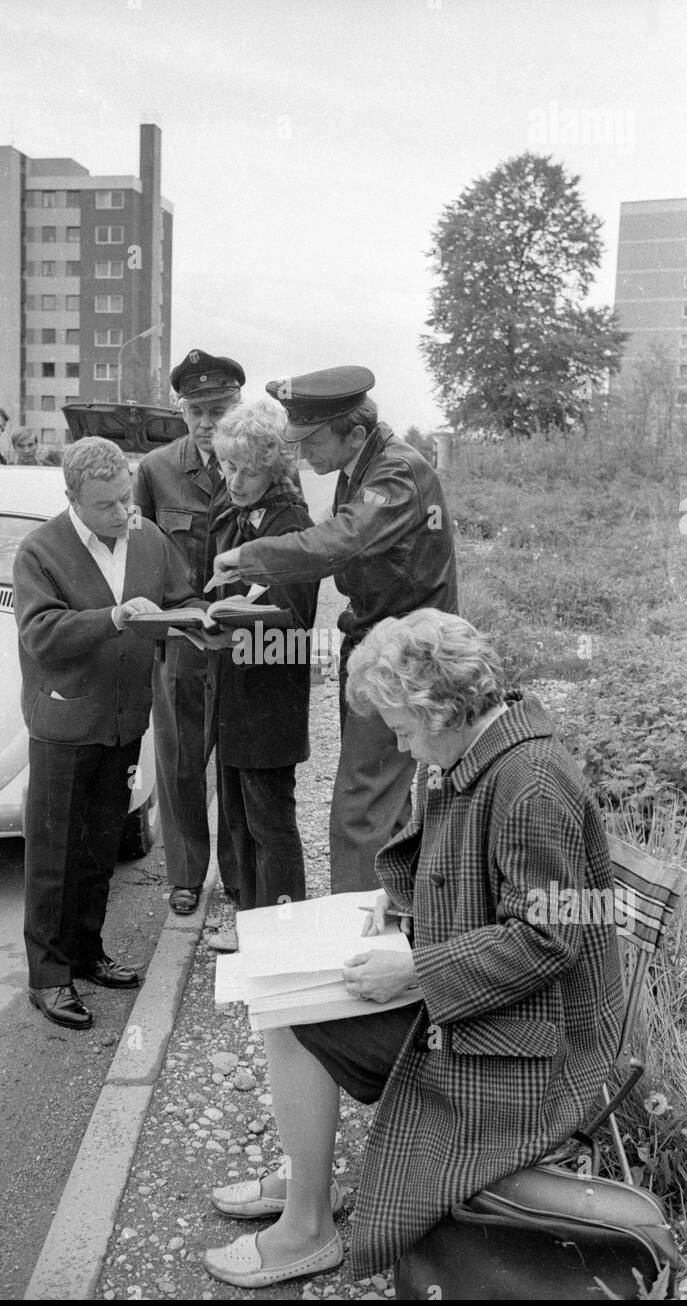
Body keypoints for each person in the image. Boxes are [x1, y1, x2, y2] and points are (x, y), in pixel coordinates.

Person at [202, 609, 625, 1288]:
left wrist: (417, 970)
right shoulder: (479, 749)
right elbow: (456, 871)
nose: (400, 747)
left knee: (292, 1014)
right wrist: (397, 908)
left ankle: (308, 1227)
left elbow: (548, 940)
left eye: (401, 729)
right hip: (498, 1007)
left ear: (436, 710)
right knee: (278, 999)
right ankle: (304, 1183)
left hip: (535, 1047)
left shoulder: (529, 783)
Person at [209, 366, 458, 895]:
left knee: (359, 810)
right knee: (386, 809)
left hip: (406, 656)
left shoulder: (394, 474)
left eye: (312, 441)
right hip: (382, 643)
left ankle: (354, 943)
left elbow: (337, 543)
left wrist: (248, 557)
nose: (301, 454)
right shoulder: (362, 464)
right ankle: (395, 923)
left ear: (355, 432)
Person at [13, 436, 196, 1030]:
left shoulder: (147, 538)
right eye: (107, 505)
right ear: (72, 499)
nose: (123, 514)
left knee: (97, 850)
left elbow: (181, 596)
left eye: (126, 499)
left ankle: (87, 953)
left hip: (123, 722)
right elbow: (41, 633)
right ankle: (48, 976)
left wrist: (203, 619)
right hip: (65, 725)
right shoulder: (40, 551)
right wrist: (114, 617)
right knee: (53, 856)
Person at [133, 349, 244, 915]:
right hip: (178, 643)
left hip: (242, 639)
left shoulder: (260, 464)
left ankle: (237, 872)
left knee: (237, 761)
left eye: (219, 409)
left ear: (237, 406)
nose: (208, 423)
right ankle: (185, 873)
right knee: (179, 762)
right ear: (182, 411)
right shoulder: (154, 471)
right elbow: (138, 557)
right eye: (197, 411)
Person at [205, 399, 319, 929]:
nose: (235, 479)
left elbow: (294, 620)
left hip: (271, 695)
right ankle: (253, 928)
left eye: (248, 470)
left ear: (274, 465)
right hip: (233, 686)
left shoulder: (291, 522)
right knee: (239, 820)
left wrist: (230, 625)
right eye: (228, 466)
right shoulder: (230, 513)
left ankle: (284, 933)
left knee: (271, 822)